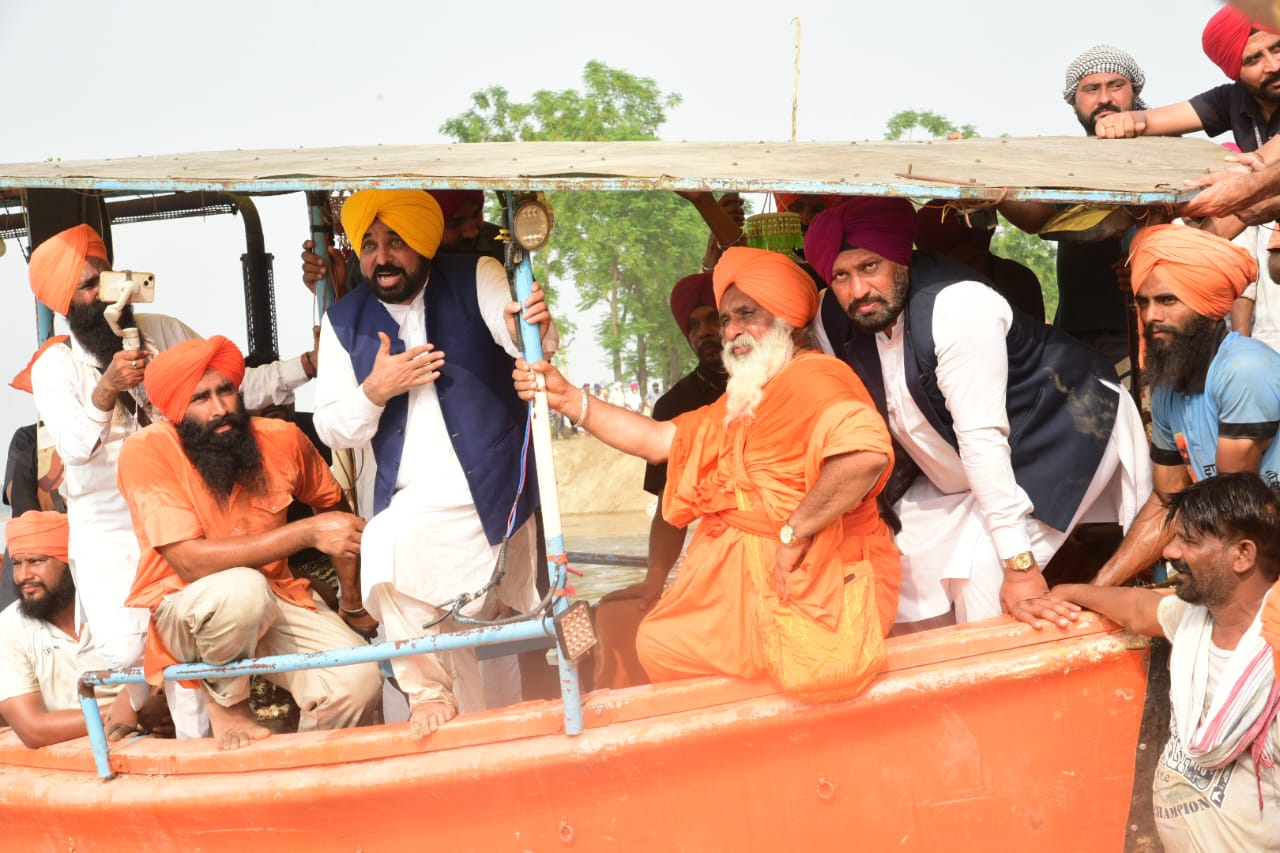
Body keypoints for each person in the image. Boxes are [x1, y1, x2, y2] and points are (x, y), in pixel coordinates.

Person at [517, 247, 899, 699]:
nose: (732, 330)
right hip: (749, 584)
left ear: (787, 319)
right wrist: (566, 398)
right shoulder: (748, 396)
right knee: (658, 641)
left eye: (746, 315)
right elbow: (660, 441)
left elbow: (864, 455)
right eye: (725, 319)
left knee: (662, 643)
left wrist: (794, 533)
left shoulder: (815, 379)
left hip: (811, 578)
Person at [806, 197, 1149, 633]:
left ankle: (1007, 693)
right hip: (960, 467)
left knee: (988, 579)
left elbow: (982, 437)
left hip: (1065, 425)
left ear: (898, 256)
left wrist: (1021, 568)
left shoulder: (957, 308)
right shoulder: (834, 317)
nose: (858, 291)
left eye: (870, 267)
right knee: (898, 560)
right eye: (841, 275)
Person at [27, 224, 315, 737]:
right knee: (129, 646)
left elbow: (230, 390)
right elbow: (73, 447)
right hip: (110, 525)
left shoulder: (163, 330)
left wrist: (308, 364)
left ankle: (199, 746)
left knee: (193, 634)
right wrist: (109, 388)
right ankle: (144, 713)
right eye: (88, 287)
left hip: (181, 509)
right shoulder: (57, 364)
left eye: (106, 278)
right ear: (67, 304)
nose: (106, 293)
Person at [312, 189, 554, 736]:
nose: (382, 257)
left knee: (487, 659)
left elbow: (516, 334)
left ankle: (495, 744)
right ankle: (429, 697)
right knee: (383, 545)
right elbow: (331, 426)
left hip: (492, 496)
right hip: (409, 505)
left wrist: (526, 327)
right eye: (370, 245)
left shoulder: (477, 275)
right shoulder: (343, 321)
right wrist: (375, 390)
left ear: (422, 241)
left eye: (396, 241)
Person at [116, 336, 382, 751]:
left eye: (226, 390)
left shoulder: (282, 439)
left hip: (275, 598)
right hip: (185, 607)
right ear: (174, 410)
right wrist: (305, 534)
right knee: (242, 589)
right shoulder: (146, 451)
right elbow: (188, 562)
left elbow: (336, 514)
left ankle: (304, 768)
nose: (220, 408)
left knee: (358, 679)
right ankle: (229, 713)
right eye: (200, 398)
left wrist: (351, 601)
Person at [1049, 473, 1280, 852]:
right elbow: (1140, 608)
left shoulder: (1274, 659)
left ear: (1243, 555)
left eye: (1188, 541)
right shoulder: (1197, 618)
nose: (1169, 553)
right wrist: (1066, 591)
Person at [1094, 225, 1280, 586]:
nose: (1151, 316)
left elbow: (1232, 506)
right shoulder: (1167, 389)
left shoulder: (1246, 369)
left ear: (1207, 306)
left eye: (1167, 300)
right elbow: (1167, 501)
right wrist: (1099, 587)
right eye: (1143, 302)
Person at [592, 273, 728, 688]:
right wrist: (655, 577)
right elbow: (672, 509)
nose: (704, 333)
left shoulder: (775, 382)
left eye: (713, 320)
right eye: (694, 326)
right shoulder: (675, 404)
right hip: (713, 557)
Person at [1001, 44, 1150, 368]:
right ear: (1073, 101)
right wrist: (991, 186)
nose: (1104, 98)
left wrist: (1151, 266)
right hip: (1077, 331)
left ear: (1134, 91)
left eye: (1115, 85)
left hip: (1149, 326)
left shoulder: (1167, 153)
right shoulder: (1071, 164)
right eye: (1091, 89)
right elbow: (1036, 219)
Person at [0, 511, 170, 747]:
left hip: (153, 741)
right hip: (71, 753)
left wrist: (148, 705)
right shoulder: (9, 626)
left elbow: (165, 677)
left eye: (36, 561)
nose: (23, 576)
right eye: (17, 564)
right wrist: (133, 707)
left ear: (69, 562)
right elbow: (33, 730)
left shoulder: (122, 603)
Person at [1095, 7, 1280, 153]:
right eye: (1254, 59)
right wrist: (1122, 121)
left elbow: (1264, 160)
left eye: (1277, 49)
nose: (1274, 66)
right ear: (1234, 70)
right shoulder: (1232, 98)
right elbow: (1149, 120)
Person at [301, 189, 503, 295]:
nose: (471, 231)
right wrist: (333, 290)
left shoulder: (498, 246)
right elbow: (355, 323)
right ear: (423, 225)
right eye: (454, 222)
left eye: (477, 214)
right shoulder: (374, 260)